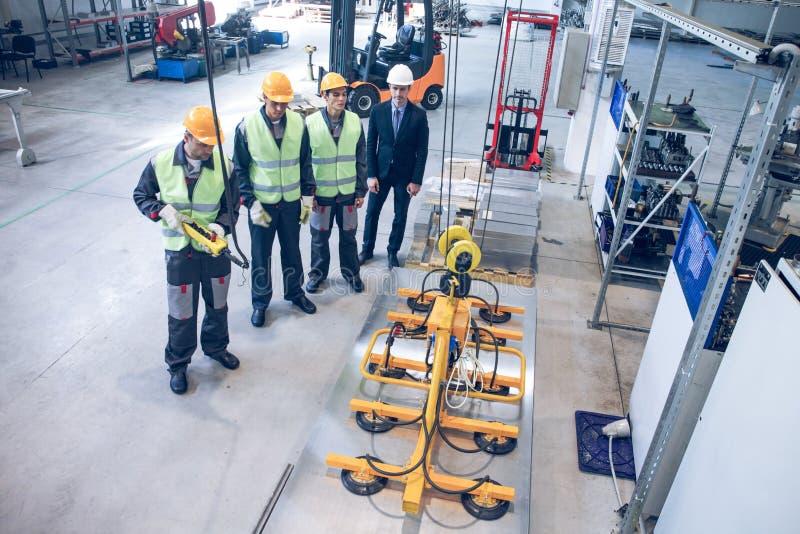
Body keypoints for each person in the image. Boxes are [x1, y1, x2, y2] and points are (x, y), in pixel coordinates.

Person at [133, 106, 240, 395]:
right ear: (187, 137)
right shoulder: (161, 163)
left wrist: (221, 227)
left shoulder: (225, 166)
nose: (209, 150)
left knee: (218, 304)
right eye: (203, 144)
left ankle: (216, 348)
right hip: (179, 254)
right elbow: (141, 195)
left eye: (212, 144)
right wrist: (161, 210)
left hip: (213, 250)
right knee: (181, 312)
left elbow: (232, 205)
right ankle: (178, 364)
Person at [234, 71, 317, 328]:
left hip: (290, 203)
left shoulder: (298, 123)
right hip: (262, 205)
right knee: (261, 255)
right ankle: (260, 303)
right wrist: (250, 202)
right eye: (275, 103)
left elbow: (305, 162)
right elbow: (240, 169)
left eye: (284, 103)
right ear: (264, 97)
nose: (280, 108)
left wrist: (307, 198)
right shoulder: (247, 127)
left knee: (292, 250)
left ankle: (295, 292)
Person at [359, 64, 429, 270]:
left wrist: (416, 180)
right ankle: (367, 249)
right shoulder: (377, 111)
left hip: (404, 175)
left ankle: (392, 251)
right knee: (372, 212)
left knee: (400, 215)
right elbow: (371, 144)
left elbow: (422, 150)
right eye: (395, 88)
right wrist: (371, 175)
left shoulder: (418, 116)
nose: (398, 94)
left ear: (409, 89)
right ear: (389, 87)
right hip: (381, 173)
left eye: (403, 89)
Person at [305, 72, 368, 293]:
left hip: (348, 194)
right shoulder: (310, 124)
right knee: (319, 237)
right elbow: (305, 163)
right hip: (321, 195)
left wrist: (360, 190)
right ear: (324, 95)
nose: (341, 99)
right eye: (336, 94)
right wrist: (308, 195)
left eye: (344, 94)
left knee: (349, 237)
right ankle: (317, 275)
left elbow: (361, 158)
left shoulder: (355, 121)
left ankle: (352, 275)